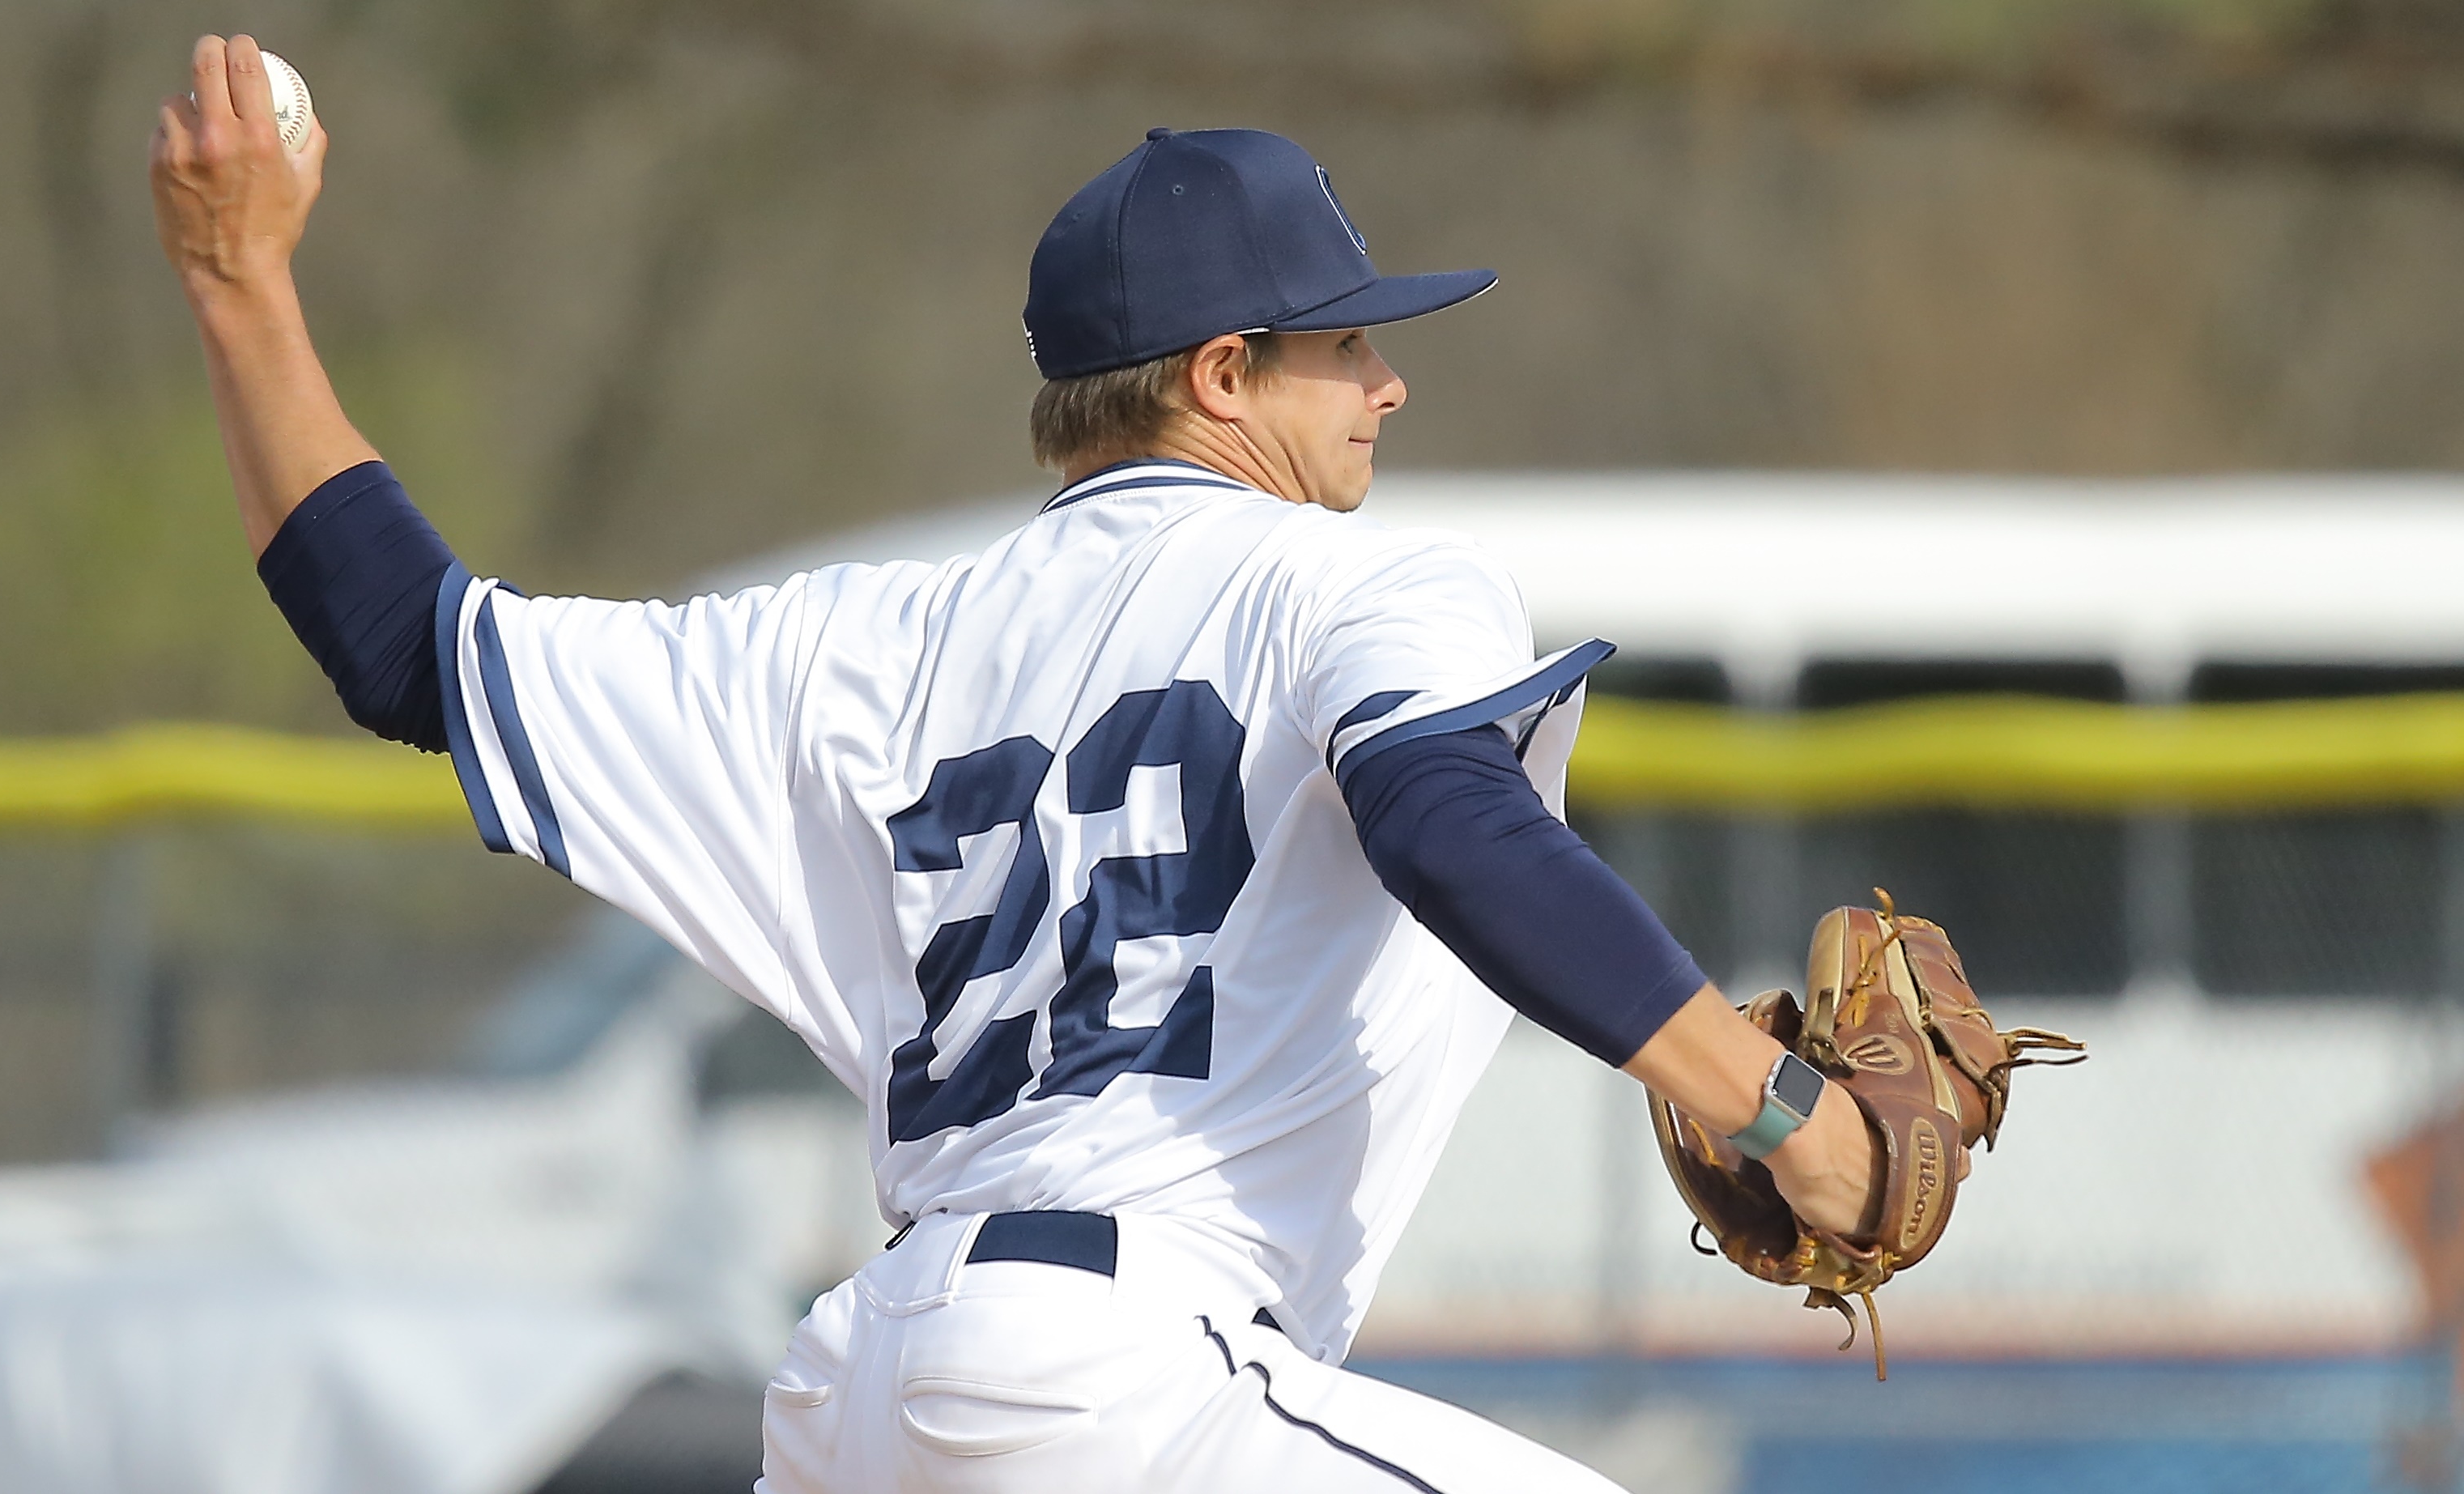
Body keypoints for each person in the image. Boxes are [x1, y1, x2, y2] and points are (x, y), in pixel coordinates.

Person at [151, 34, 1879, 1492]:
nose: (1387, 382)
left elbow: (407, 644)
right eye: (1343, 342)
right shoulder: (1355, 587)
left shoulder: (852, 642)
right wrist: (1778, 1104)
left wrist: (240, 282)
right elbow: (1445, 819)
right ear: (1221, 375)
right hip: (1121, 1385)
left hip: (869, 1393)